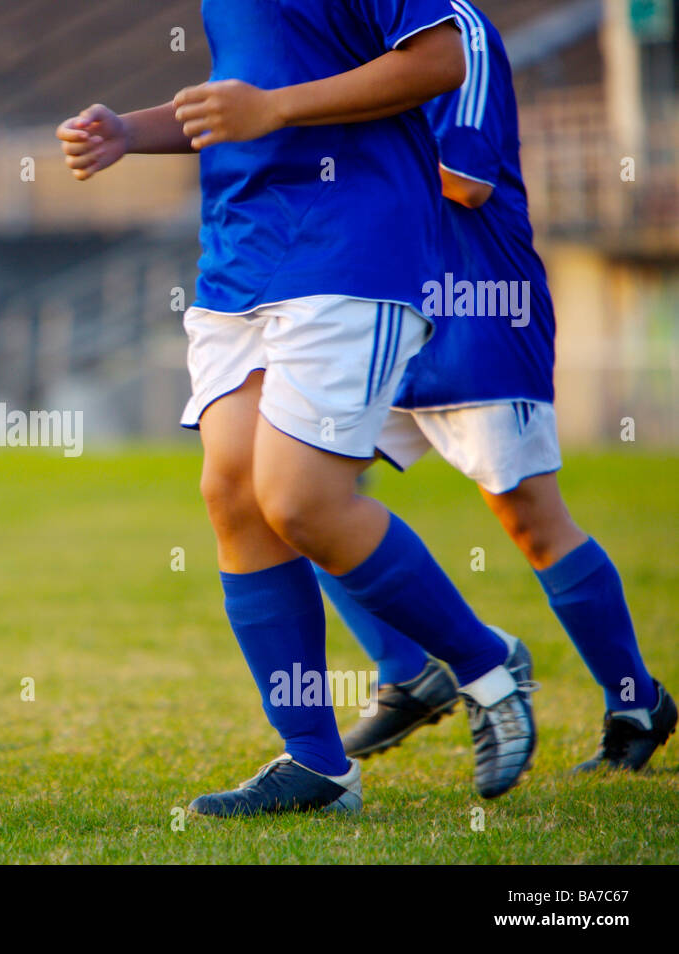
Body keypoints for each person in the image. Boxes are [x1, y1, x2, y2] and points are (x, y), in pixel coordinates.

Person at [57, 0, 536, 817]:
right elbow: (243, 94)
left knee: (301, 499)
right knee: (235, 498)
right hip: (241, 251)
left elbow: (442, 58)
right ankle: (317, 765)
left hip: (354, 243)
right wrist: (133, 131)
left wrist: (274, 108)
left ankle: (488, 668)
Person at [320, 0, 675, 772]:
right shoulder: (350, 36)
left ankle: (635, 701)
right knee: (302, 494)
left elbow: (466, 180)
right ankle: (411, 672)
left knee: (532, 521)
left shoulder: (459, 33)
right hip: (385, 304)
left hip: (476, 303)